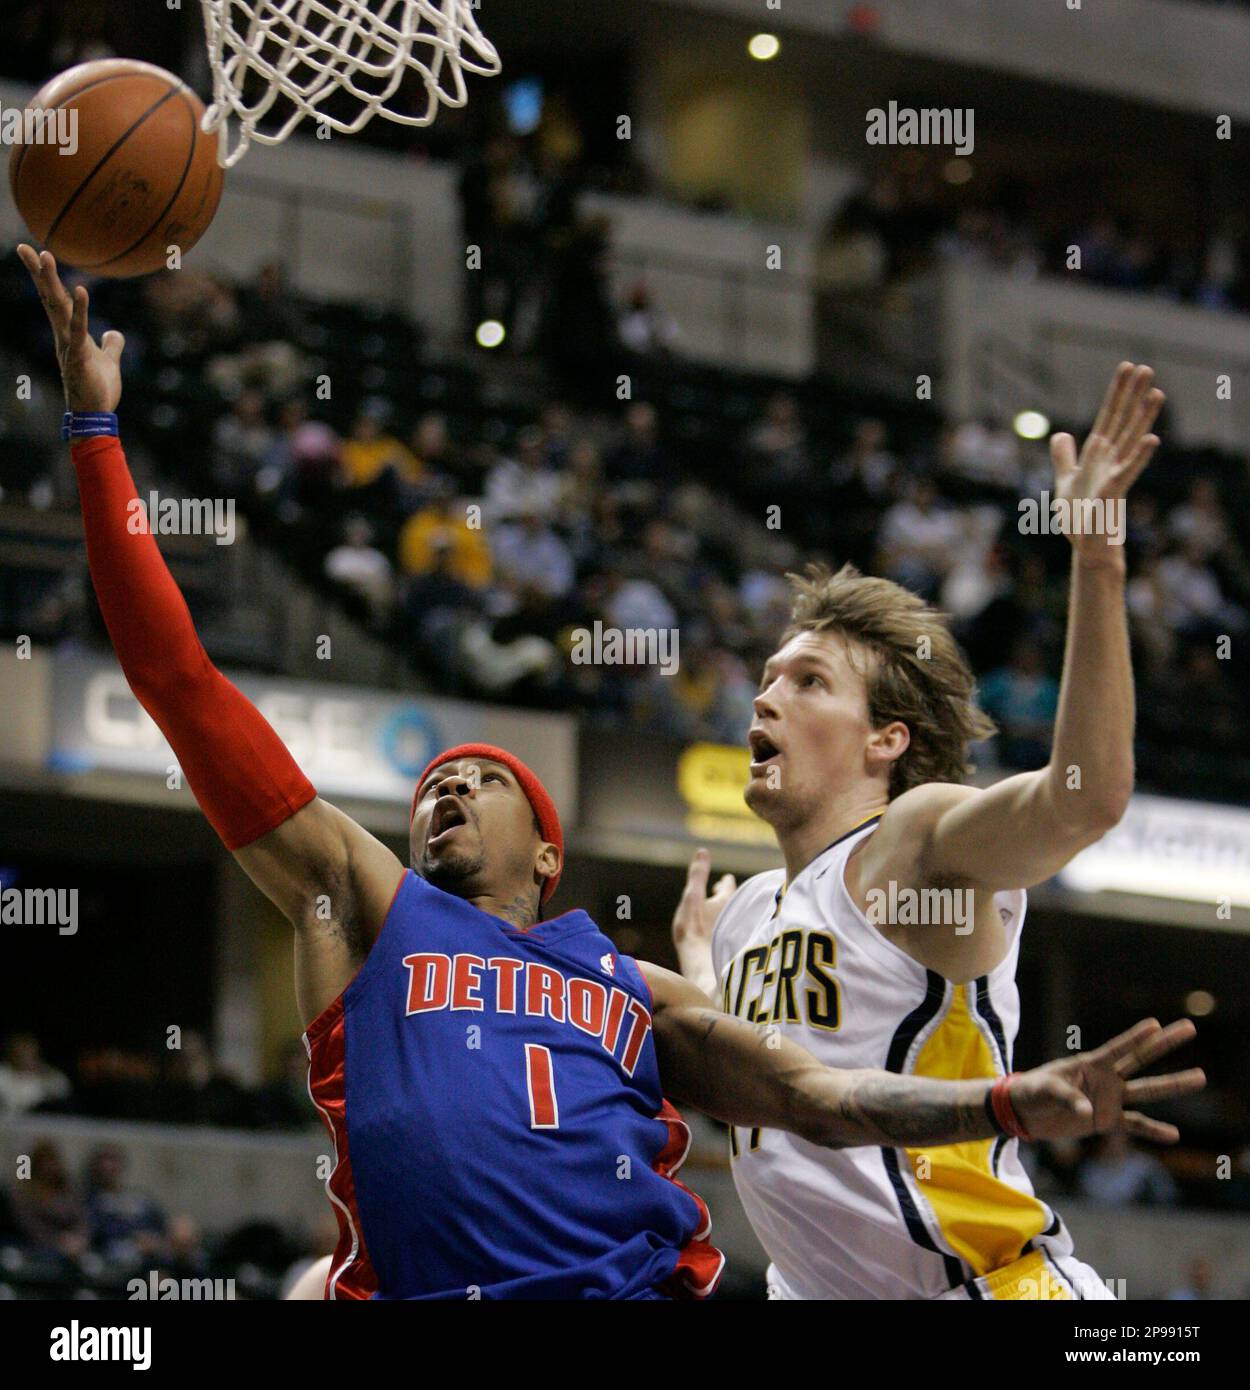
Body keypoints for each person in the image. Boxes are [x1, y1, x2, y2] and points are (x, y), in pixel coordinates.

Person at [20, 246, 1203, 1301]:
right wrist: (95, 438)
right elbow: (179, 681)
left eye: (480, 778)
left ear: (550, 851)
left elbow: (820, 1095)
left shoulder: (641, 975)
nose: (443, 788)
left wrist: (1008, 1101)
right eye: (432, 781)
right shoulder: (371, 907)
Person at [672, 363, 1201, 1301]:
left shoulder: (910, 842)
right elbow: (774, 1071)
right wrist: (707, 966)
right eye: (768, 675)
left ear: (887, 739)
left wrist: (1097, 561)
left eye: (808, 681)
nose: (764, 694)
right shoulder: (755, 909)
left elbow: (1084, 799)